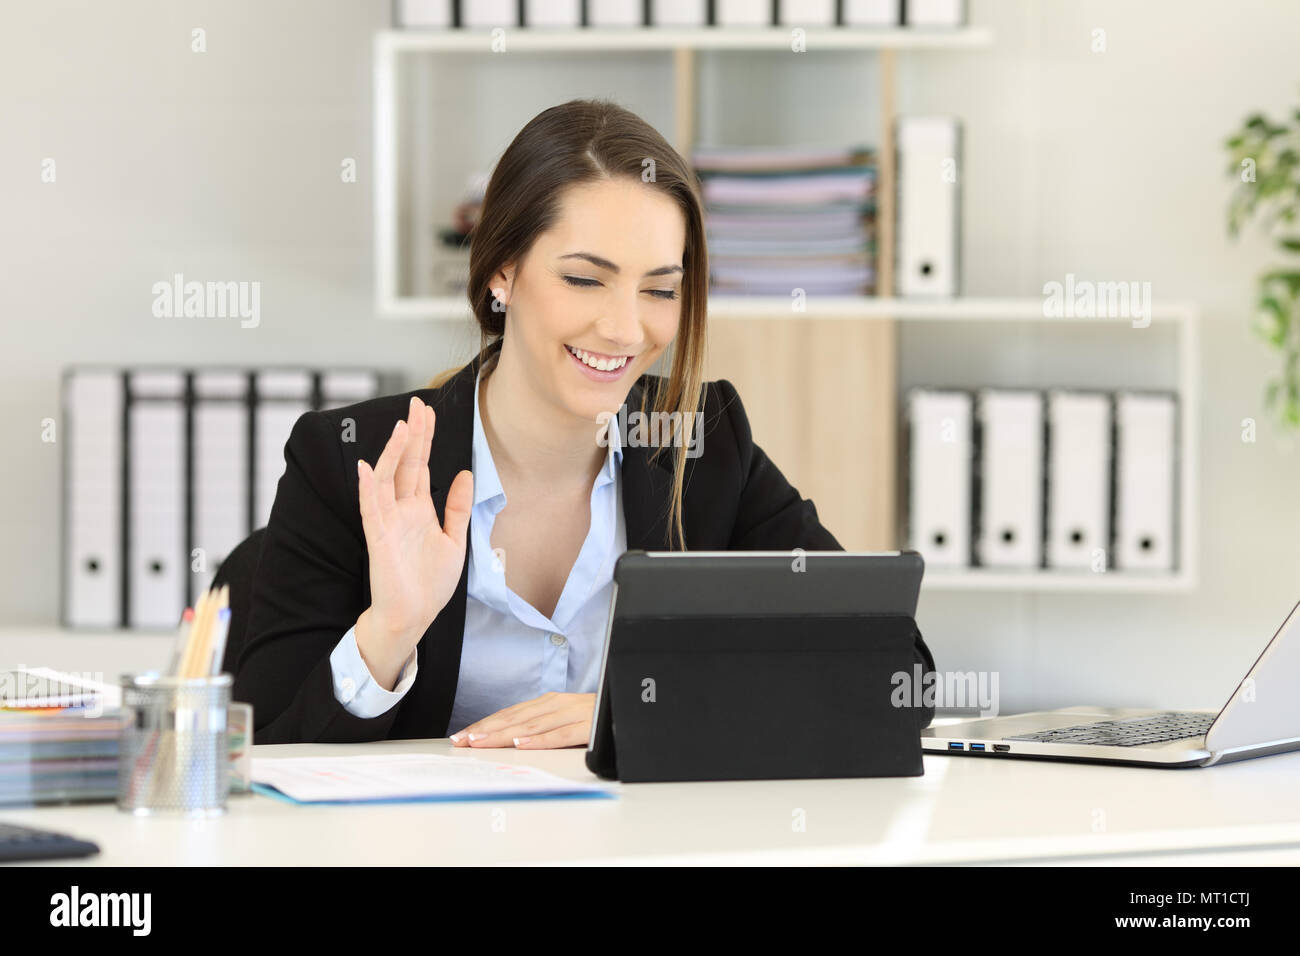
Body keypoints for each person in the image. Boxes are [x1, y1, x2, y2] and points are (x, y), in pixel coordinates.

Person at [234, 98, 935, 746]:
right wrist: (387, 632)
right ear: (501, 272)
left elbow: (896, 677)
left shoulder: (703, 444)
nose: (626, 328)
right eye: (584, 279)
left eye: (661, 288)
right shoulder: (349, 462)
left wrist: (638, 706)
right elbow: (266, 749)